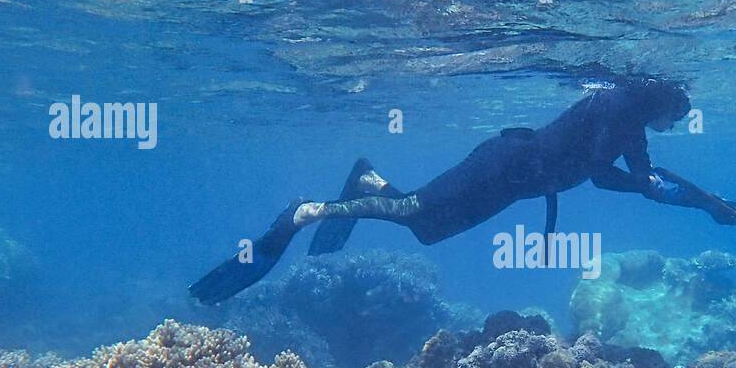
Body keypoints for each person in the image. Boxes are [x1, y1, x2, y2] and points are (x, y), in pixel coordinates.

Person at [188, 76, 701, 304]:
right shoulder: (611, 106)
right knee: (413, 209)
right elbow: (602, 174)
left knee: (428, 230)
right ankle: (305, 211)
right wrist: (649, 187)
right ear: (662, 100)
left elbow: (634, 178)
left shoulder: (633, 128)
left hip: (517, 187)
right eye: (676, 116)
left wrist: (685, 199)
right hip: (503, 163)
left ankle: (367, 179)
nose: (675, 125)